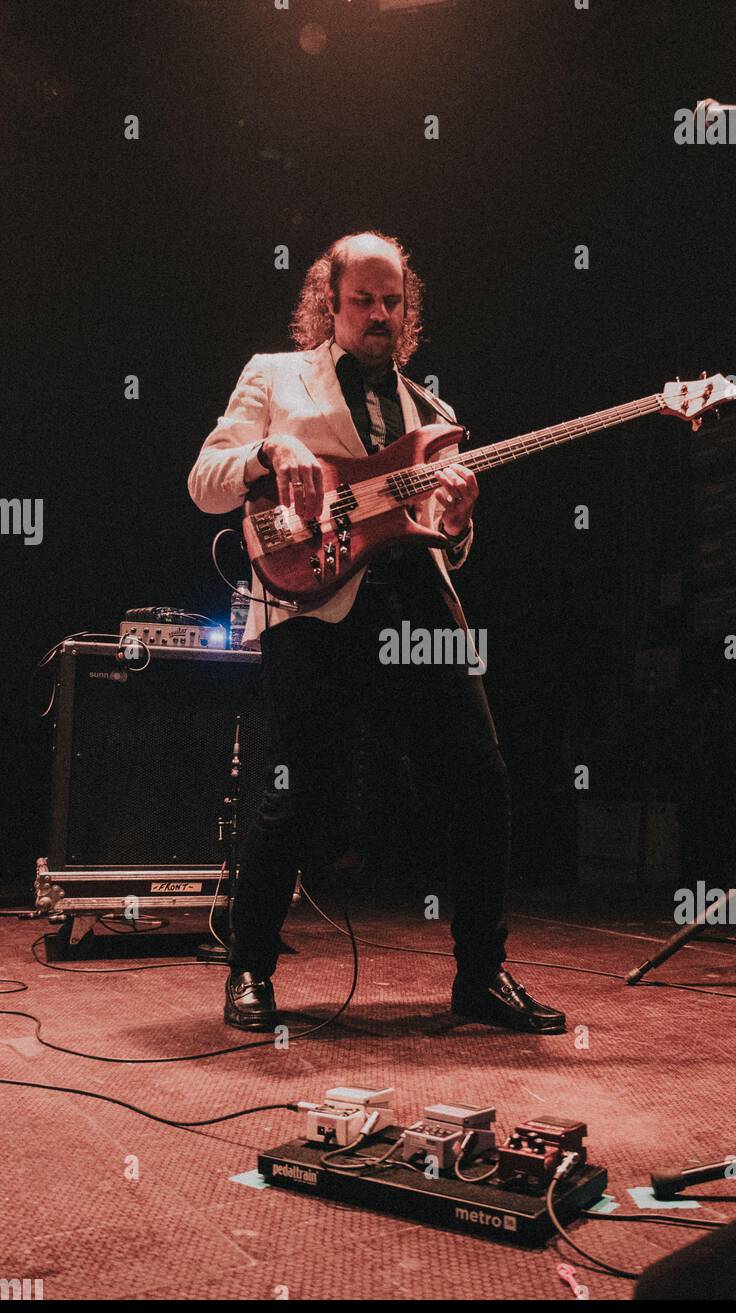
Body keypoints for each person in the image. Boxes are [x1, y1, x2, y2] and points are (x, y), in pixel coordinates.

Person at [189, 230, 565, 1035]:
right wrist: (270, 449)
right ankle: (249, 968)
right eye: (363, 299)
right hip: (313, 603)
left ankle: (480, 976)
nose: (379, 314)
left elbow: (443, 542)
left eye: (392, 300)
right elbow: (205, 483)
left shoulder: (433, 415)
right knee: (296, 790)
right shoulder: (276, 375)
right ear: (329, 301)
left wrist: (457, 523)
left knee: (482, 781)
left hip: (416, 608)